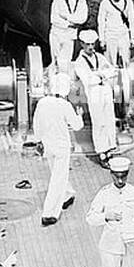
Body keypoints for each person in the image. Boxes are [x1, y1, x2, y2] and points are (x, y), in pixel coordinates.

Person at [31, 73, 82, 226]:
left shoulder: (43, 102)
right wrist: (79, 115)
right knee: (57, 179)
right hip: (61, 147)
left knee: (57, 173)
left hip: (48, 145)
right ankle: (50, 213)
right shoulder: (65, 105)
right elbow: (77, 126)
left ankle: (67, 195)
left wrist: (38, 140)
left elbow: (36, 123)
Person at [73, 30, 118, 166]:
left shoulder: (100, 57)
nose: (91, 47)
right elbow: (88, 80)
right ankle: (102, 152)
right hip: (94, 94)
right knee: (99, 123)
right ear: (82, 44)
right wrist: (102, 74)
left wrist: (99, 75)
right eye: (87, 44)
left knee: (109, 119)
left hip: (105, 91)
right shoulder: (79, 62)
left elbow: (112, 71)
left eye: (93, 44)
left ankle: (110, 148)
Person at [49, 0, 89, 72]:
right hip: (57, 34)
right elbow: (54, 19)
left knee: (66, 61)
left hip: (70, 36)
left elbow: (82, 18)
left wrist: (66, 17)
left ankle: (64, 81)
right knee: (56, 61)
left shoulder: (81, 1)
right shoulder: (58, 1)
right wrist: (69, 23)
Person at [97, 0, 134, 67]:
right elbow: (101, 22)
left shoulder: (128, 1)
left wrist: (133, 37)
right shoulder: (105, 3)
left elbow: (132, 19)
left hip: (123, 33)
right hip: (110, 34)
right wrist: (102, 40)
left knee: (126, 60)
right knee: (110, 61)